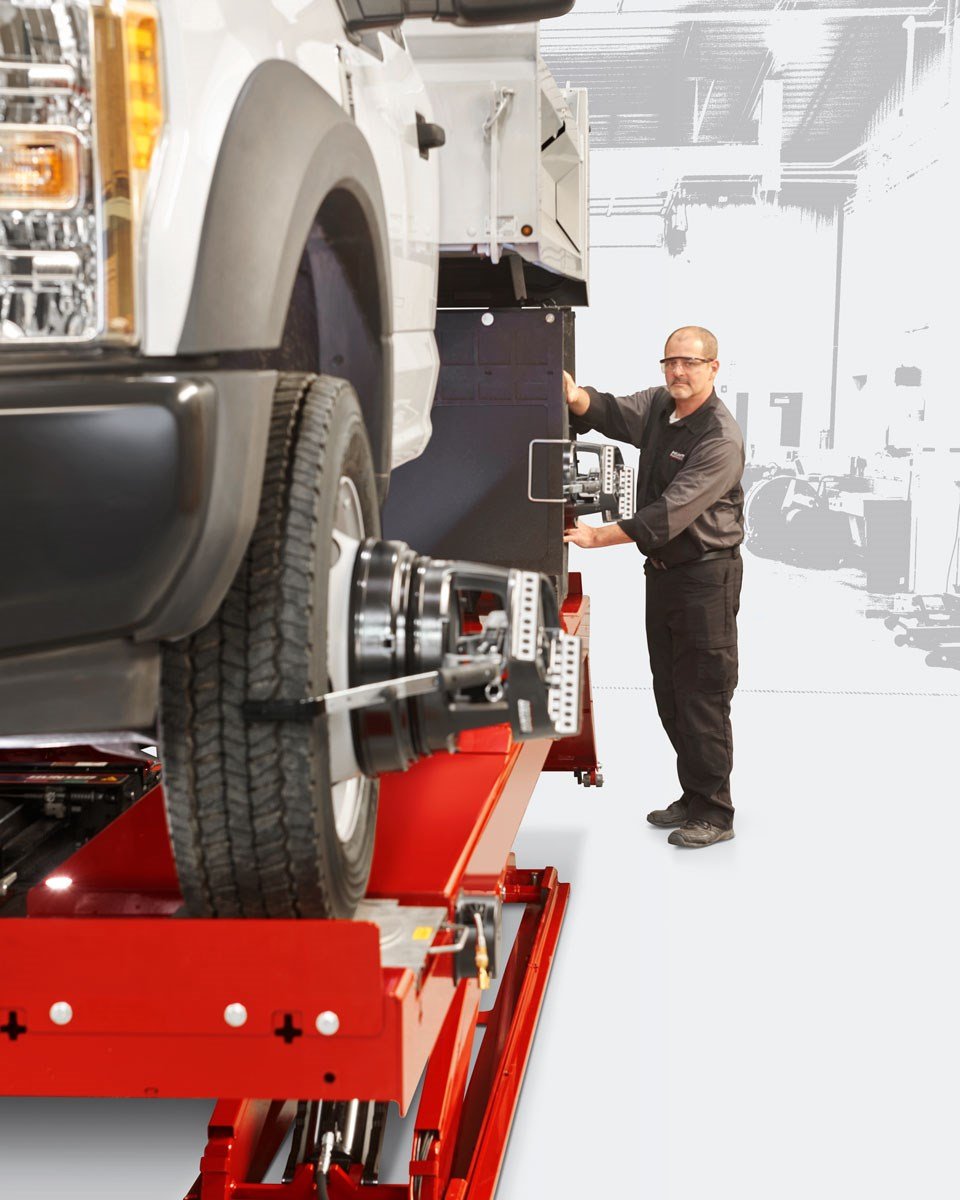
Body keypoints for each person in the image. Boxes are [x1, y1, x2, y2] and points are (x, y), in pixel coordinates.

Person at [563, 326, 745, 849]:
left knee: (703, 694)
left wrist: (598, 536)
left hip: (706, 578)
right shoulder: (660, 407)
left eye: (690, 362)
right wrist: (573, 395)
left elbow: (668, 514)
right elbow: (612, 412)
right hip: (664, 575)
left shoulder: (720, 437)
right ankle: (694, 795)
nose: (678, 371)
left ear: (713, 368)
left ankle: (715, 811)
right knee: (670, 691)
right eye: (670, 361)